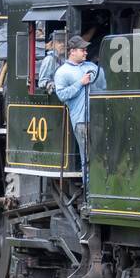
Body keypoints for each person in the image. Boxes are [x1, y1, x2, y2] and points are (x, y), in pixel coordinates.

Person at [53, 35, 105, 182]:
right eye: (82, 50)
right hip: (82, 120)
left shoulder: (92, 67)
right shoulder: (62, 72)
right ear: (72, 51)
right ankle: (89, 194)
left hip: (99, 118)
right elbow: (62, 95)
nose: (86, 52)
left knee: (102, 157)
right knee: (88, 158)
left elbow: (104, 87)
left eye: (86, 50)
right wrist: (80, 83)